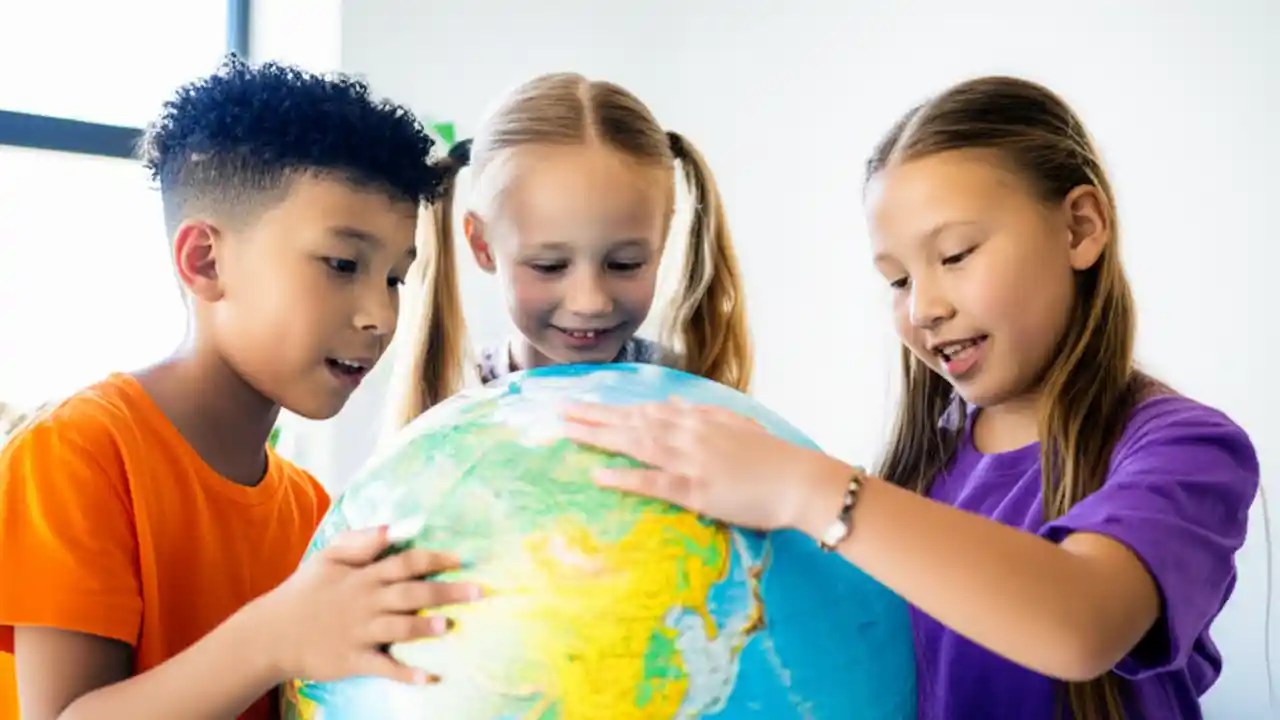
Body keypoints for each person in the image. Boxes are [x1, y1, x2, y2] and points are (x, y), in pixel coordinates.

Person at [561, 75, 1260, 720]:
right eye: (897, 281)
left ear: (1080, 227)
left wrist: (806, 488)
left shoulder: (1187, 449)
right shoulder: (914, 475)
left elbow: (1083, 625)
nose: (924, 307)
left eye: (955, 256)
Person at [0, 57, 479, 720]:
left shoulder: (312, 509)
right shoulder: (75, 454)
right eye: (343, 264)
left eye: (395, 278)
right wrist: (274, 637)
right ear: (205, 260)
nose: (380, 315)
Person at [391, 72, 752, 426]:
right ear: (483, 245)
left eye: (624, 264)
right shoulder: (454, 413)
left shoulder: (693, 407)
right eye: (549, 266)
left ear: (663, 239)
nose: (590, 303)